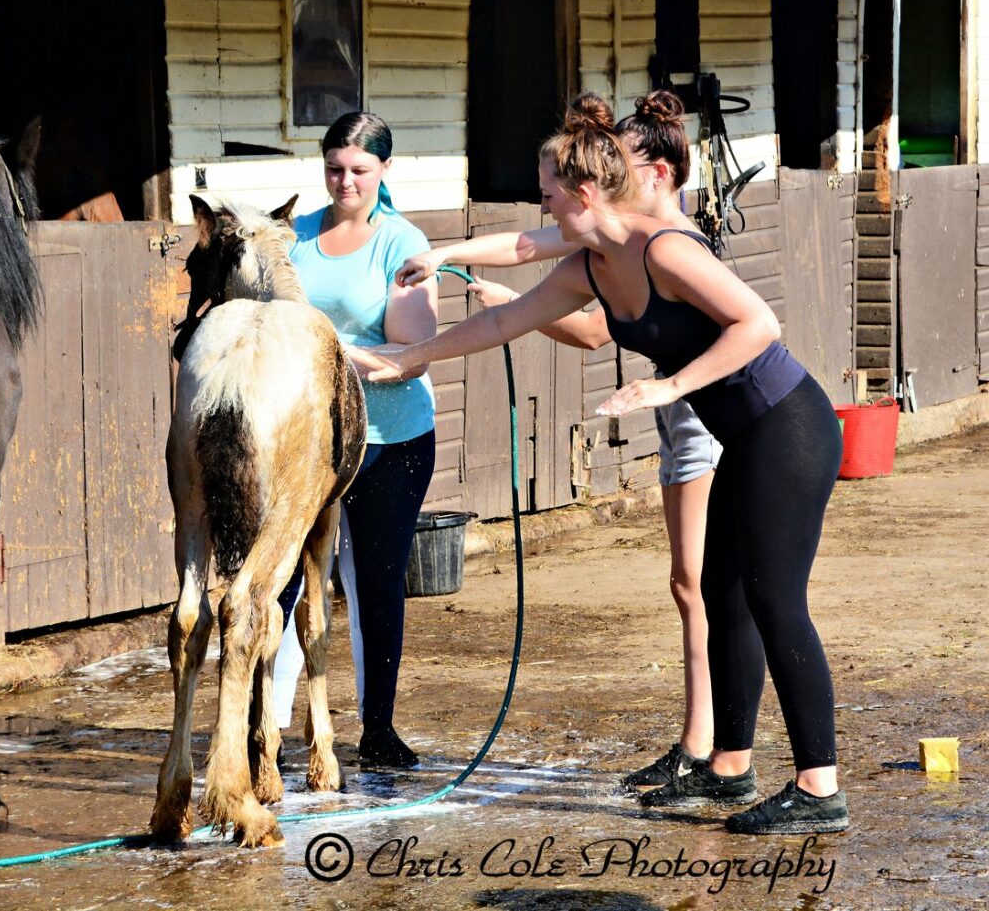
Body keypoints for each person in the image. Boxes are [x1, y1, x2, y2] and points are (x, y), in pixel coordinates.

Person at [353, 93, 848, 835]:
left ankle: (819, 786)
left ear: (584, 194)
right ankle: (730, 769)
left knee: (776, 598)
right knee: (722, 590)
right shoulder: (592, 263)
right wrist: (411, 357)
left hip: (789, 426)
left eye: (549, 195)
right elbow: (504, 317)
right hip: (745, 436)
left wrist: (670, 384)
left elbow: (760, 322)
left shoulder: (664, 247)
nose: (541, 206)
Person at [394, 91, 718, 791]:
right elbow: (525, 246)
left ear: (656, 172)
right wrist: (453, 258)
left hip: (703, 404)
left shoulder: (654, 237)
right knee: (690, 582)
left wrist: (519, 309)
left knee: (704, 583)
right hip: (673, 403)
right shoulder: (611, 234)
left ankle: (712, 748)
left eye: (624, 161)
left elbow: (595, 330)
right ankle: (703, 741)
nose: (614, 174)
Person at [270, 111, 439, 769]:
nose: (346, 181)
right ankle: (271, 725)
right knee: (285, 578)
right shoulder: (296, 238)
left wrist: (330, 345)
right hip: (307, 436)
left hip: (389, 435)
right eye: (335, 169)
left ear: (384, 172)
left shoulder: (401, 241)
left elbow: (415, 350)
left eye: (360, 171)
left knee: (377, 578)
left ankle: (379, 726)